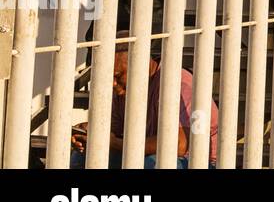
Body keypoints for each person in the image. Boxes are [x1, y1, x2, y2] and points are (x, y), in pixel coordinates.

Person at [70, 39, 219, 169]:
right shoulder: (123, 90)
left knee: (152, 164)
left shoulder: (178, 83)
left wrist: (114, 143)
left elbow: (179, 145)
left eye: (118, 76)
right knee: (85, 157)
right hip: (148, 155)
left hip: (198, 162)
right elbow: (114, 131)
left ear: (140, 63)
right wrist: (91, 133)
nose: (113, 84)